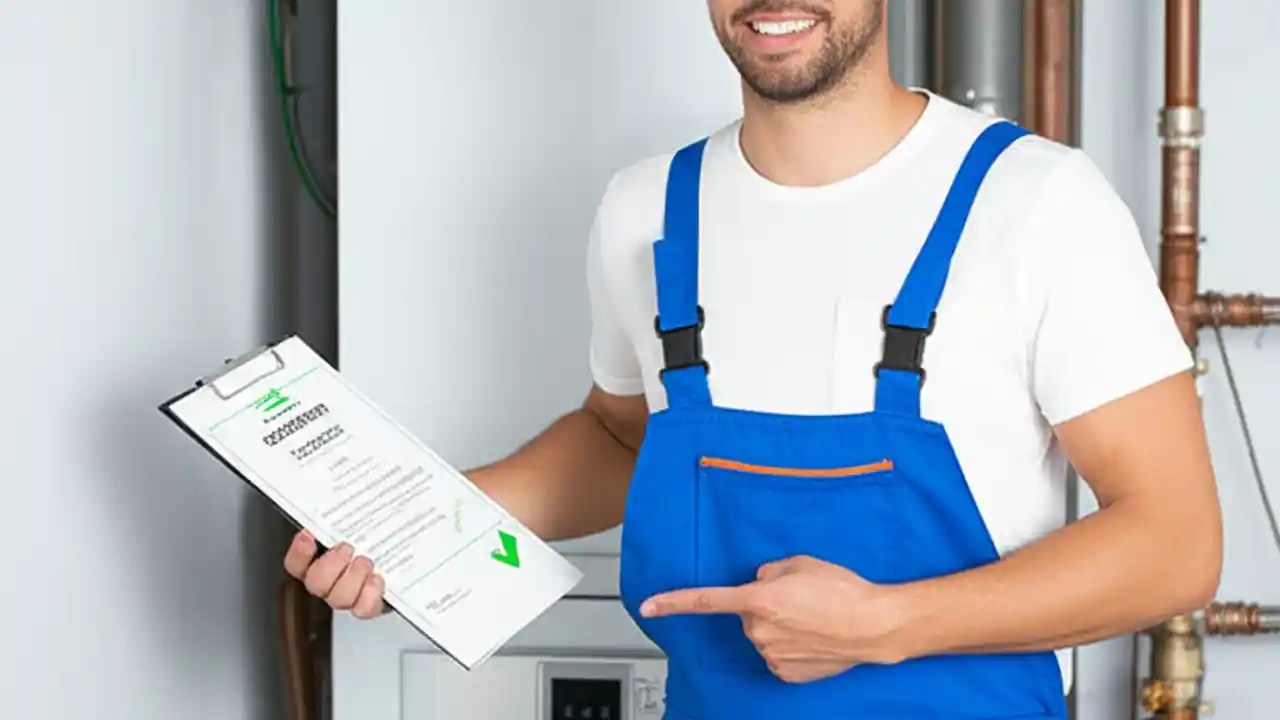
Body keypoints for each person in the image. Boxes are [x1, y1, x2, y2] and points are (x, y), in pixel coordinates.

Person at [284, 1, 1222, 717]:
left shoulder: (1037, 201)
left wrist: (887, 626)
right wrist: (420, 524)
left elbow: (1176, 544)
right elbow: (620, 440)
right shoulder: (647, 208)